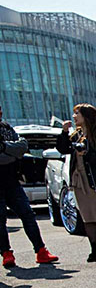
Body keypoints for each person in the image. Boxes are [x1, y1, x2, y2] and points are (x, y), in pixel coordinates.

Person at [56, 104, 96, 262]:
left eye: (77, 114)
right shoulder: (76, 135)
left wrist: (87, 154)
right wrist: (64, 132)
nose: (74, 116)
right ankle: (94, 246)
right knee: (87, 216)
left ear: (87, 117)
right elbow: (62, 148)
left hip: (95, 181)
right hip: (79, 180)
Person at [0, 103, 59, 267]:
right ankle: (6, 253)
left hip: (12, 181)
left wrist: (5, 147)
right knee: (0, 220)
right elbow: (12, 154)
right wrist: (12, 152)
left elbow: (23, 146)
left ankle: (41, 251)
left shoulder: (6, 127)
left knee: (27, 214)